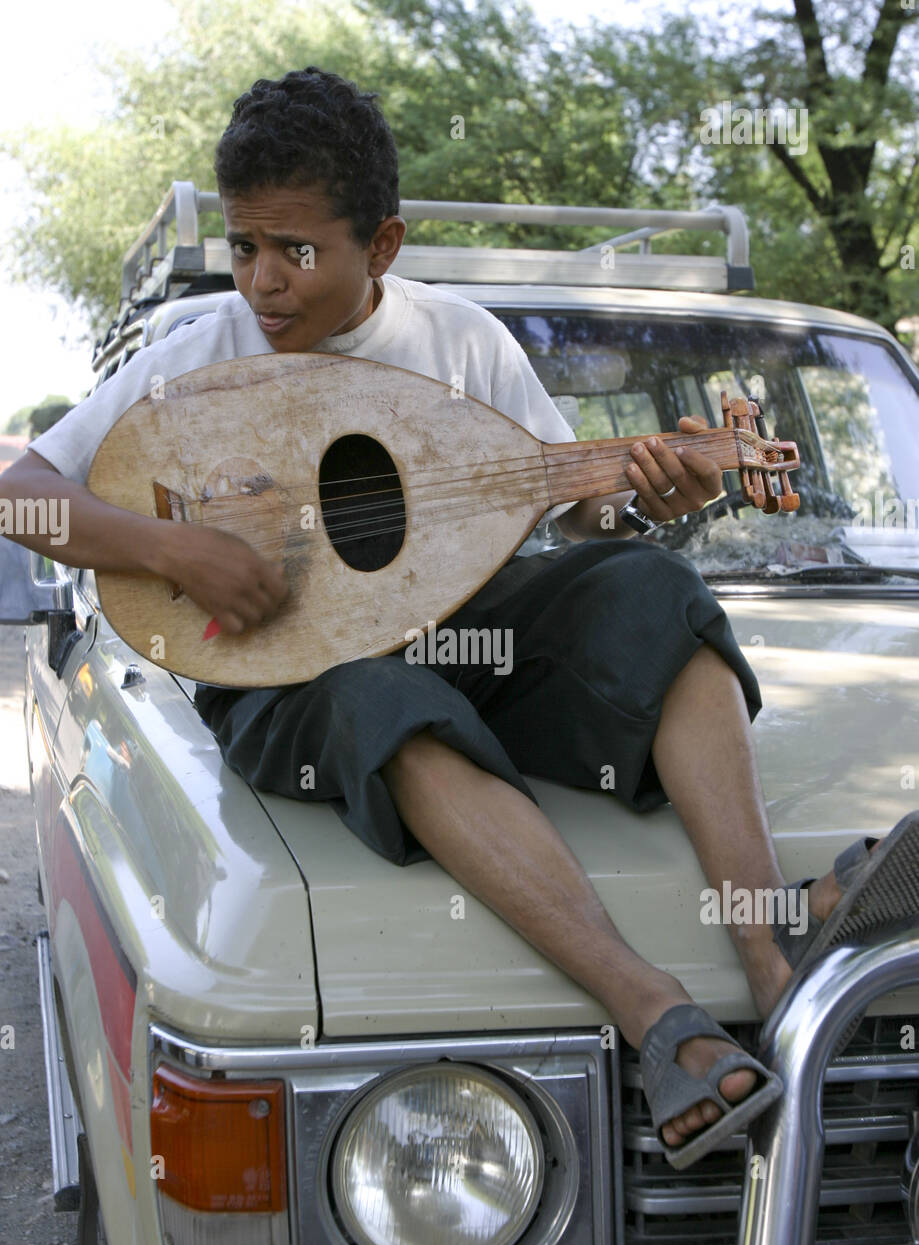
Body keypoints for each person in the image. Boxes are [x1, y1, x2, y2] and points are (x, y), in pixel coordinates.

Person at [3, 67, 916, 1170]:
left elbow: (569, 508)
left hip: (463, 636)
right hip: (283, 675)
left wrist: (649, 493)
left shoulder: (462, 344)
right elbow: (20, 492)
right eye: (243, 246)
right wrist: (171, 547)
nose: (262, 281)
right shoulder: (197, 355)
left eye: (296, 251)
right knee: (383, 696)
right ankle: (654, 1011)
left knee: (652, 587)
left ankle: (771, 948)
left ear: (382, 245)